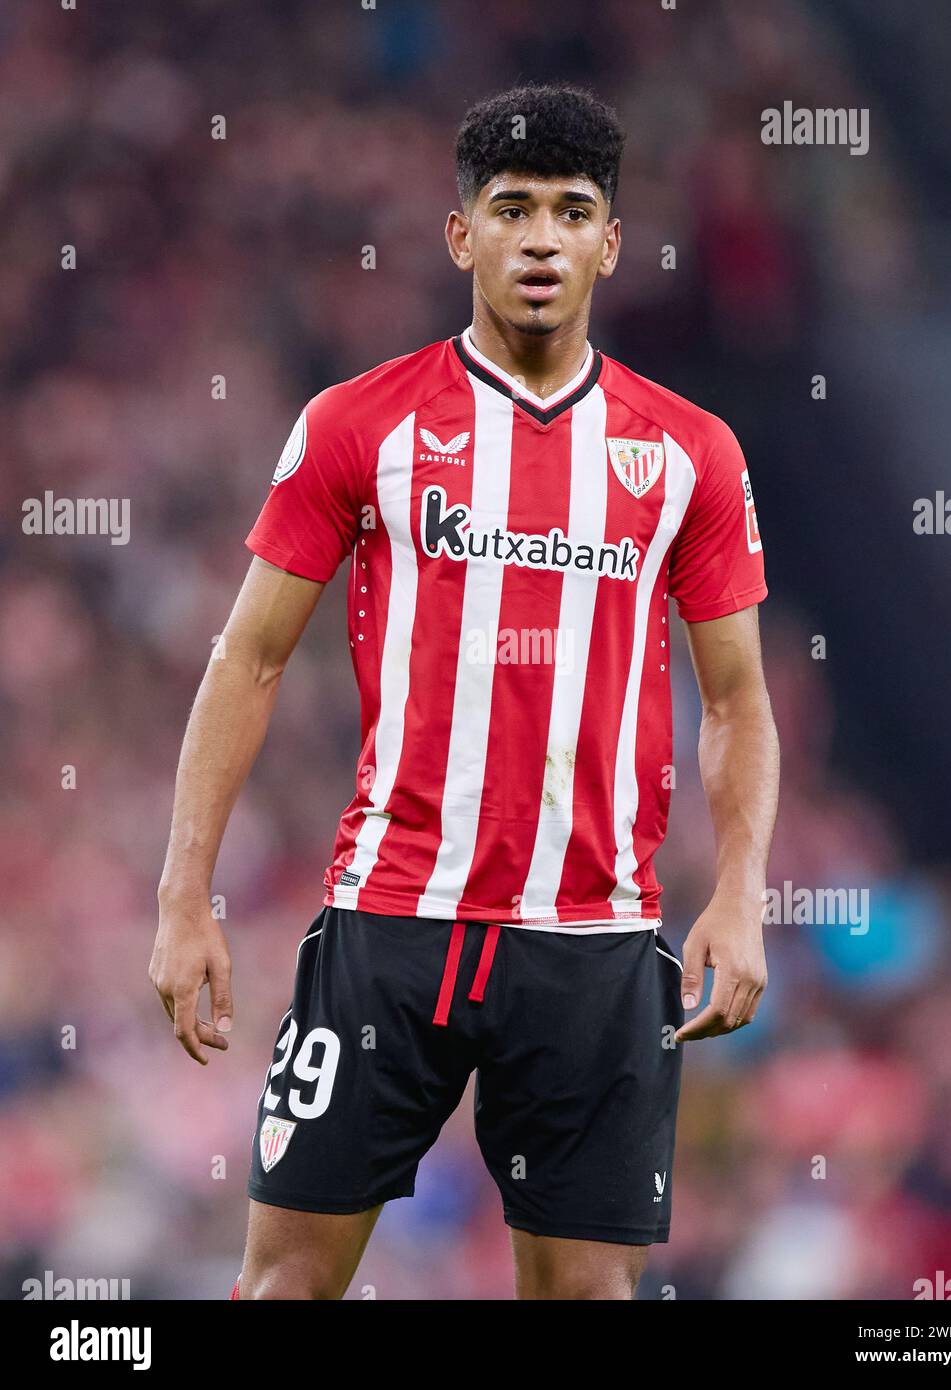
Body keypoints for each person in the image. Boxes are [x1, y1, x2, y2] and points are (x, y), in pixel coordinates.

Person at [150, 83, 779, 1301]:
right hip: (392, 922)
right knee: (282, 1286)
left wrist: (742, 890)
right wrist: (184, 894)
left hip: (594, 944)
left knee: (586, 1296)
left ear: (609, 238)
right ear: (461, 235)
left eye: (570, 210)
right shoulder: (358, 424)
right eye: (511, 208)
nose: (539, 237)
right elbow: (249, 657)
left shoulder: (689, 451)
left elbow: (741, 701)